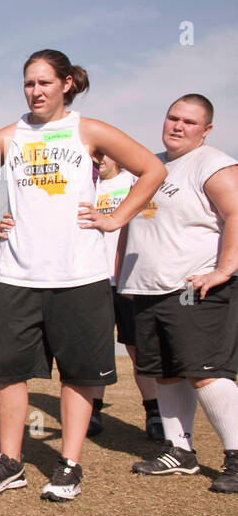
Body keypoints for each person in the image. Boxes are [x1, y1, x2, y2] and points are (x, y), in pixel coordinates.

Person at [0, 49, 165, 502]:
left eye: (44, 83)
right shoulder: (8, 139)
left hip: (80, 276)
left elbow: (152, 169)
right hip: (18, 275)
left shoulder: (88, 131)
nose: (35, 92)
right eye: (29, 84)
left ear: (67, 83)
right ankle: (10, 463)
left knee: (77, 373)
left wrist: (116, 218)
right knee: (11, 373)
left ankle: (69, 465)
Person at [119, 95, 238, 493]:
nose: (178, 126)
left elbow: (237, 212)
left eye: (190, 121)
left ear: (206, 130)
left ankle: (236, 456)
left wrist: (224, 269)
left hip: (192, 287)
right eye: (173, 117)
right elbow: (130, 224)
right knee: (165, 373)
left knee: (204, 373)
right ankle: (180, 451)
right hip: (148, 289)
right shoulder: (151, 166)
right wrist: (122, 278)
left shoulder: (212, 163)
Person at [89, 154, 164, 441]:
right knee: (95, 349)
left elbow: (151, 220)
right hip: (94, 279)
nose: (98, 160)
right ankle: (93, 412)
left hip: (129, 281)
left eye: (102, 154)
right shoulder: (88, 187)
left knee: (138, 349)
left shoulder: (133, 182)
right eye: (93, 156)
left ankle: (154, 412)